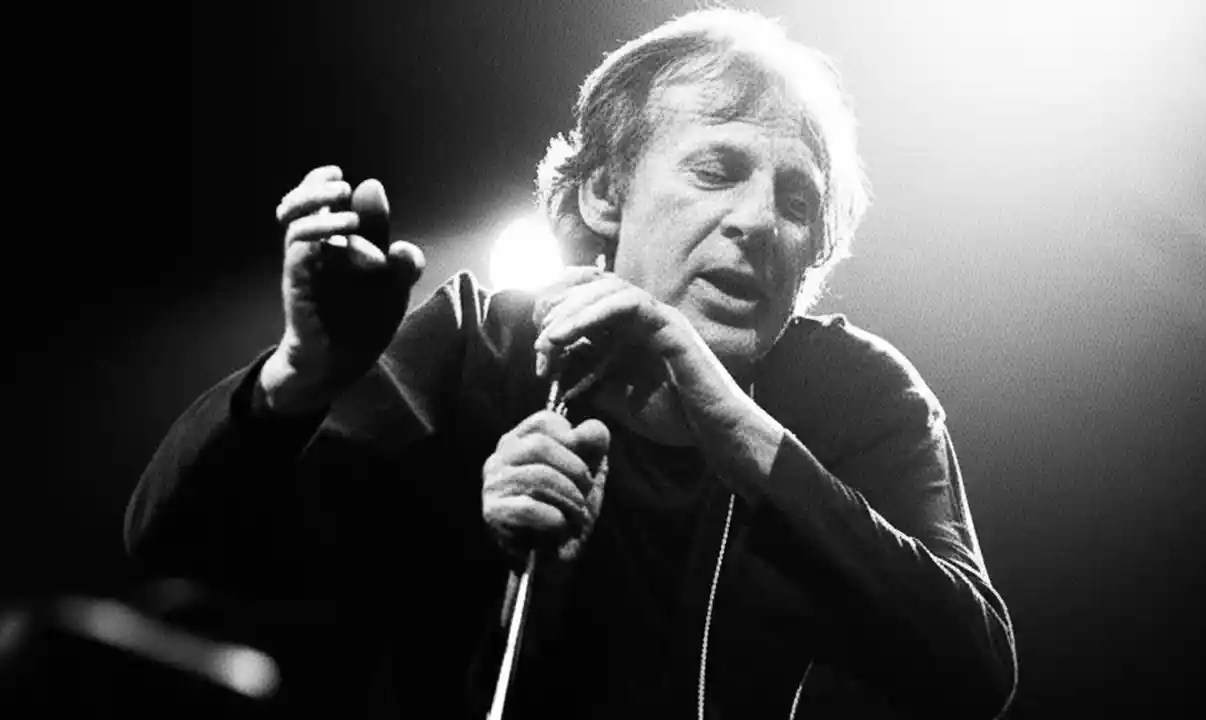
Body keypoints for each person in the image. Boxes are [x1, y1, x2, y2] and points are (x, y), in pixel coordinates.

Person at [127, 8, 1016, 719]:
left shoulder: (859, 392)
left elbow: (973, 666)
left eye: (795, 200)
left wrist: (739, 426)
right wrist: (299, 372)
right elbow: (171, 540)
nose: (759, 221)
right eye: (717, 169)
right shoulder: (481, 342)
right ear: (604, 193)